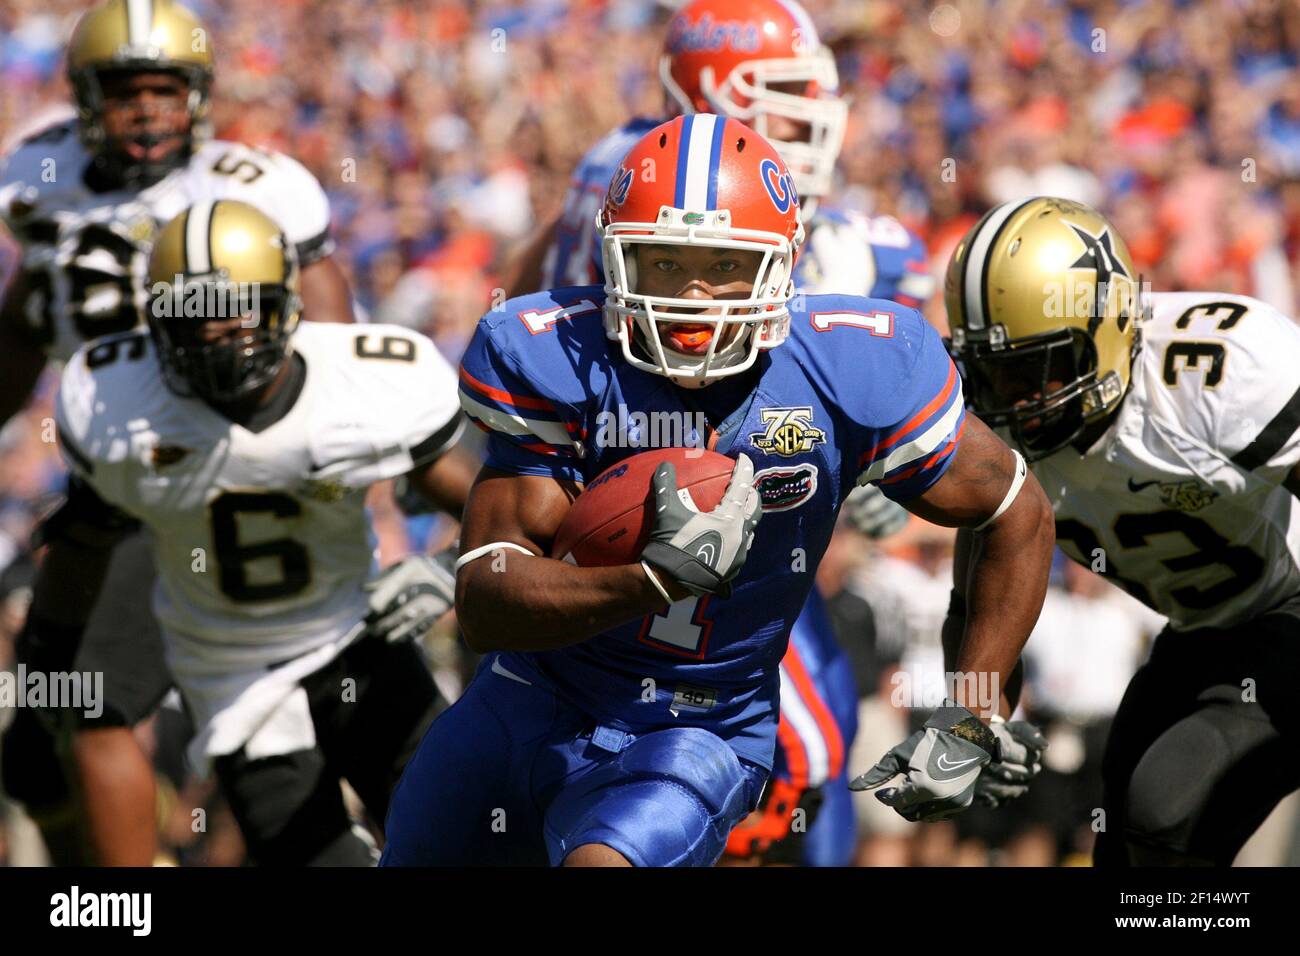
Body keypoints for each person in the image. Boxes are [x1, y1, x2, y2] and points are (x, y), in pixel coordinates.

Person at [381, 116, 1056, 867]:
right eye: (664, 263)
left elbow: (1011, 507)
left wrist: (971, 708)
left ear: (782, 266)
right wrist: (647, 583)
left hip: (699, 728)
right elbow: (485, 598)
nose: (695, 297)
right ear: (615, 257)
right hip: (527, 698)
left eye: (723, 265)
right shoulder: (552, 358)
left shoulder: (848, 368)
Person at [515, 0, 932, 866]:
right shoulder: (638, 188)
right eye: (781, 91)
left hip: (692, 516)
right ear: (706, 90)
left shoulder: (623, 171)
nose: (811, 109)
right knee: (805, 745)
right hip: (647, 501)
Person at [0, 0, 355, 865]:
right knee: (36, 744)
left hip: (203, 478)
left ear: (198, 95)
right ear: (85, 97)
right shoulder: (42, 181)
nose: (150, 109)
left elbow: (336, 356)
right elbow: (27, 320)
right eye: (127, 91)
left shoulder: (251, 187)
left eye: (167, 89)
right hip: (106, 482)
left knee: (100, 709)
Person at [38, 199, 475, 865]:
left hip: (359, 638)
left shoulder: (365, 383)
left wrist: (455, 565)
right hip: (236, 680)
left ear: (283, 305)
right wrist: (47, 661)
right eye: (191, 314)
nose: (213, 333)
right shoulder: (118, 407)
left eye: (233, 309)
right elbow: (86, 542)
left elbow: (492, 507)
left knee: (463, 845)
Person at [945, 194, 1300, 865]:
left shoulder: (1214, 367)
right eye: (991, 371)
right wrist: (969, 726)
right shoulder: (1006, 441)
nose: (1009, 399)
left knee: (1165, 806)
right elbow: (977, 606)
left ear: (1104, 330)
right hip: (1202, 633)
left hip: (1291, 607)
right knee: (1123, 836)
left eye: (1032, 368)